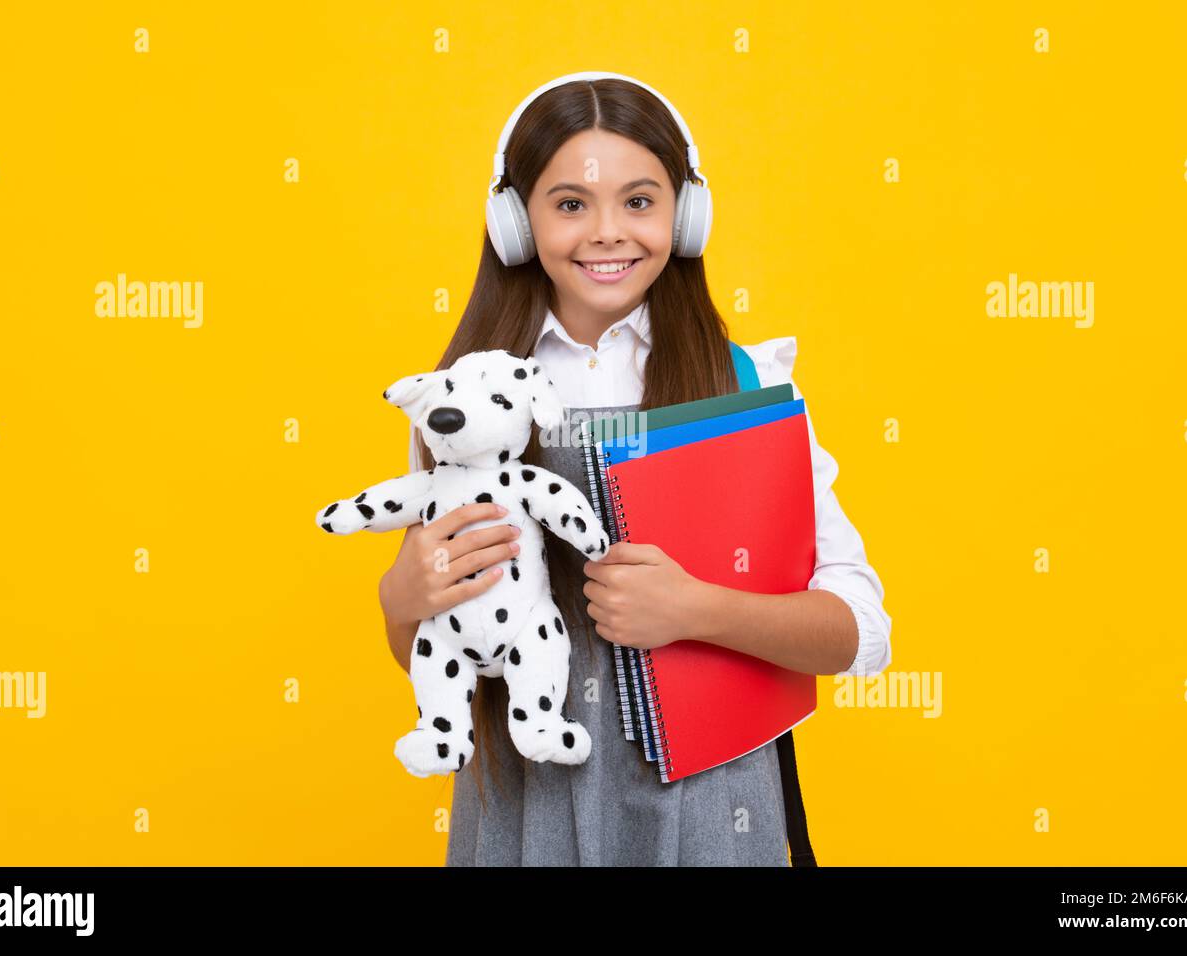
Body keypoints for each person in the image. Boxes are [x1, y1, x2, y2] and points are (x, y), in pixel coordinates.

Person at [377, 72, 892, 866]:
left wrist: (699, 609)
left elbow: (860, 635)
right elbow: (444, 643)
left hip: (712, 807)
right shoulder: (463, 402)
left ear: (686, 215)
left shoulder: (749, 384)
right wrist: (400, 600)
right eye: (570, 203)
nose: (608, 232)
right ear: (517, 222)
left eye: (640, 201)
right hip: (522, 798)